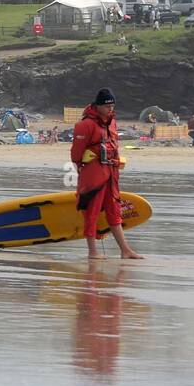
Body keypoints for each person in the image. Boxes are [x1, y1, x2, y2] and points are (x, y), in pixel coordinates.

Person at [71, 88, 144, 260]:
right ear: (97, 106)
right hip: (94, 175)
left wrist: (117, 163)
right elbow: (76, 154)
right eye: (107, 106)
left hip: (111, 174)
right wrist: (81, 168)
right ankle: (92, 252)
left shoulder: (112, 122)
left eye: (112, 106)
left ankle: (125, 250)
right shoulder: (85, 124)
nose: (110, 109)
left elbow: (114, 145)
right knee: (92, 212)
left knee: (114, 211)